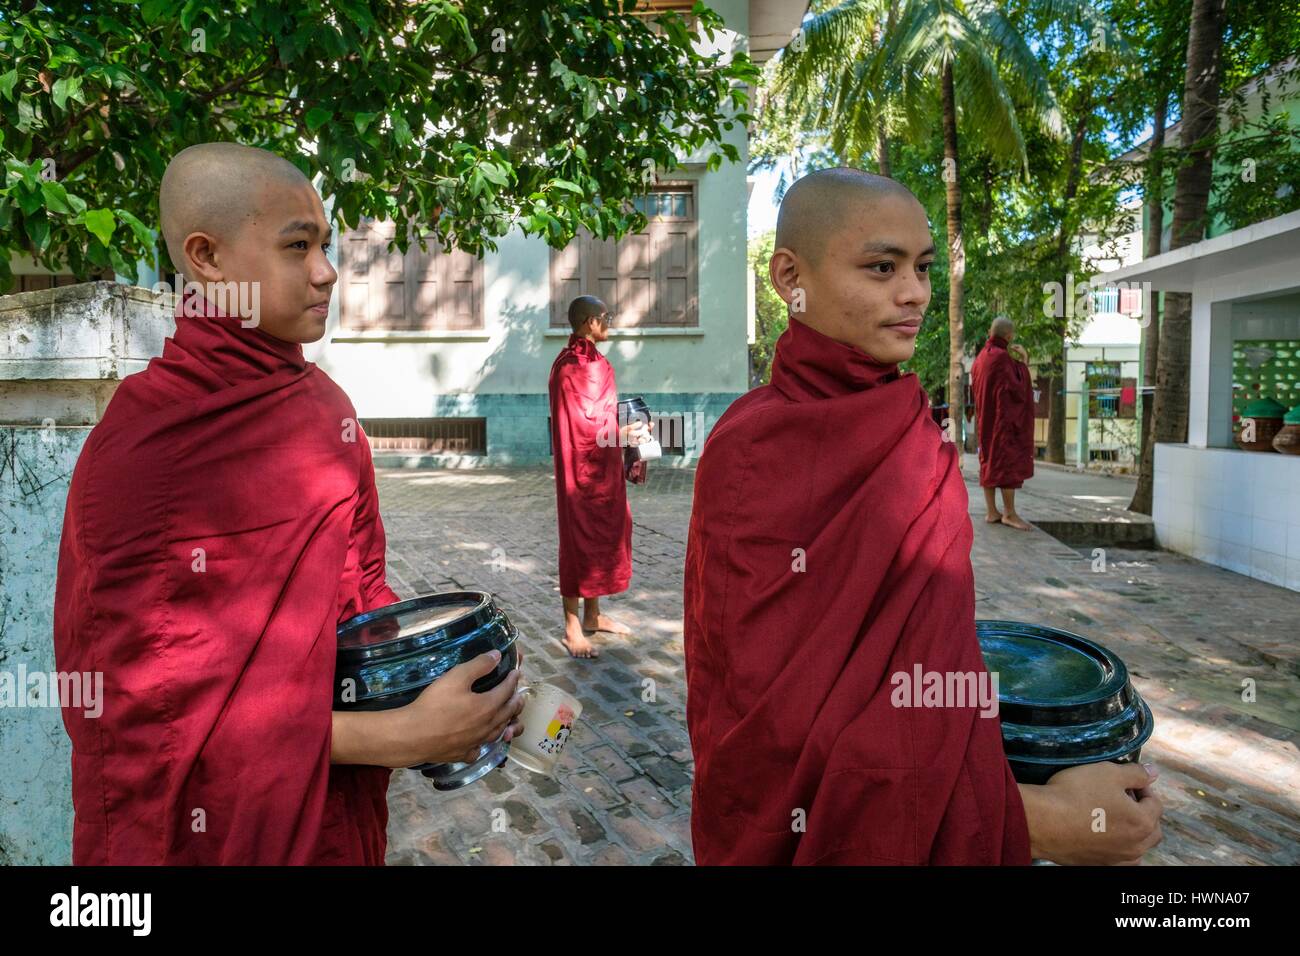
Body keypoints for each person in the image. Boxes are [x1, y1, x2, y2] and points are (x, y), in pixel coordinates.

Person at [52, 142, 525, 865]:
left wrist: (446, 690)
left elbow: (362, 600)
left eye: (325, 245)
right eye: (297, 246)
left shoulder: (327, 412)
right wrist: (385, 738)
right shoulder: (144, 445)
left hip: (331, 819)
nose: (327, 271)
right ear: (206, 259)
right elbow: (135, 713)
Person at [683, 167, 1163, 865]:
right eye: (882, 267)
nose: (913, 294)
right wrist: (1030, 820)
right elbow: (770, 736)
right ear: (791, 277)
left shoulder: (911, 425)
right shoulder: (752, 447)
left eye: (922, 268)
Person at [548, 295, 650, 659]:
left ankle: (593, 615)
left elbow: (604, 413)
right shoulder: (569, 367)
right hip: (580, 470)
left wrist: (632, 434)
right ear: (590, 322)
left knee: (606, 535)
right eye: (606, 317)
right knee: (578, 540)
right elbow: (580, 425)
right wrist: (620, 435)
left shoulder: (598, 363)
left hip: (605, 468)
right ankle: (572, 626)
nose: (610, 322)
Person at [971, 315, 1035, 529]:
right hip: (1003, 423)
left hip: (986, 421)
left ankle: (992, 512)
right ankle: (1009, 513)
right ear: (1009, 336)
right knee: (1007, 463)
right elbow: (1018, 388)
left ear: (991, 332)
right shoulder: (1002, 358)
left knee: (988, 461)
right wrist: (1024, 360)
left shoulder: (981, 358)